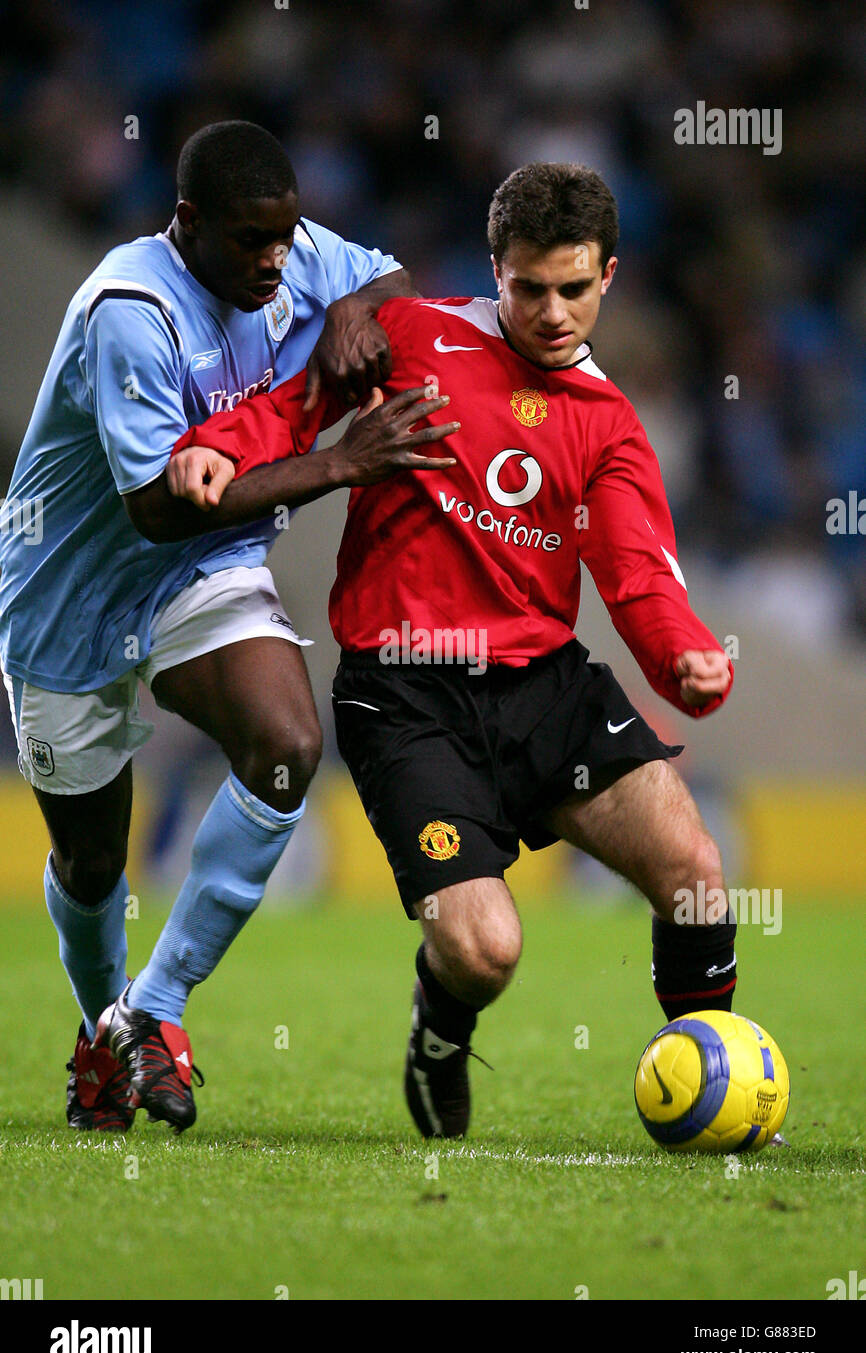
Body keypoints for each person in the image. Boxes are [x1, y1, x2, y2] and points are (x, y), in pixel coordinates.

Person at [163, 161, 736, 1140]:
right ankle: (438, 1032)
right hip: (404, 697)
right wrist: (221, 444)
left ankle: (711, 1077)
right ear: (494, 269)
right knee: (484, 952)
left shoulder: (609, 423)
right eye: (528, 287)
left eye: (573, 288)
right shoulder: (411, 336)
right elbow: (294, 404)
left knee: (693, 874)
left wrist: (685, 659)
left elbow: (638, 572)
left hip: (544, 686)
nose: (551, 313)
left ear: (608, 275)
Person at [0, 120, 456, 1134]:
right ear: (188, 222)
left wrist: (355, 307)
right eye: (251, 241)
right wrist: (341, 462)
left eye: (286, 238)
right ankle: (103, 1038)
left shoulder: (290, 252)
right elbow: (157, 508)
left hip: (198, 572)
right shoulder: (130, 308)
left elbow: (390, 279)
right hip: (68, 596)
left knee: (286, 744)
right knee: (92, 864)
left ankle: (151, 1010)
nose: (274, 261)